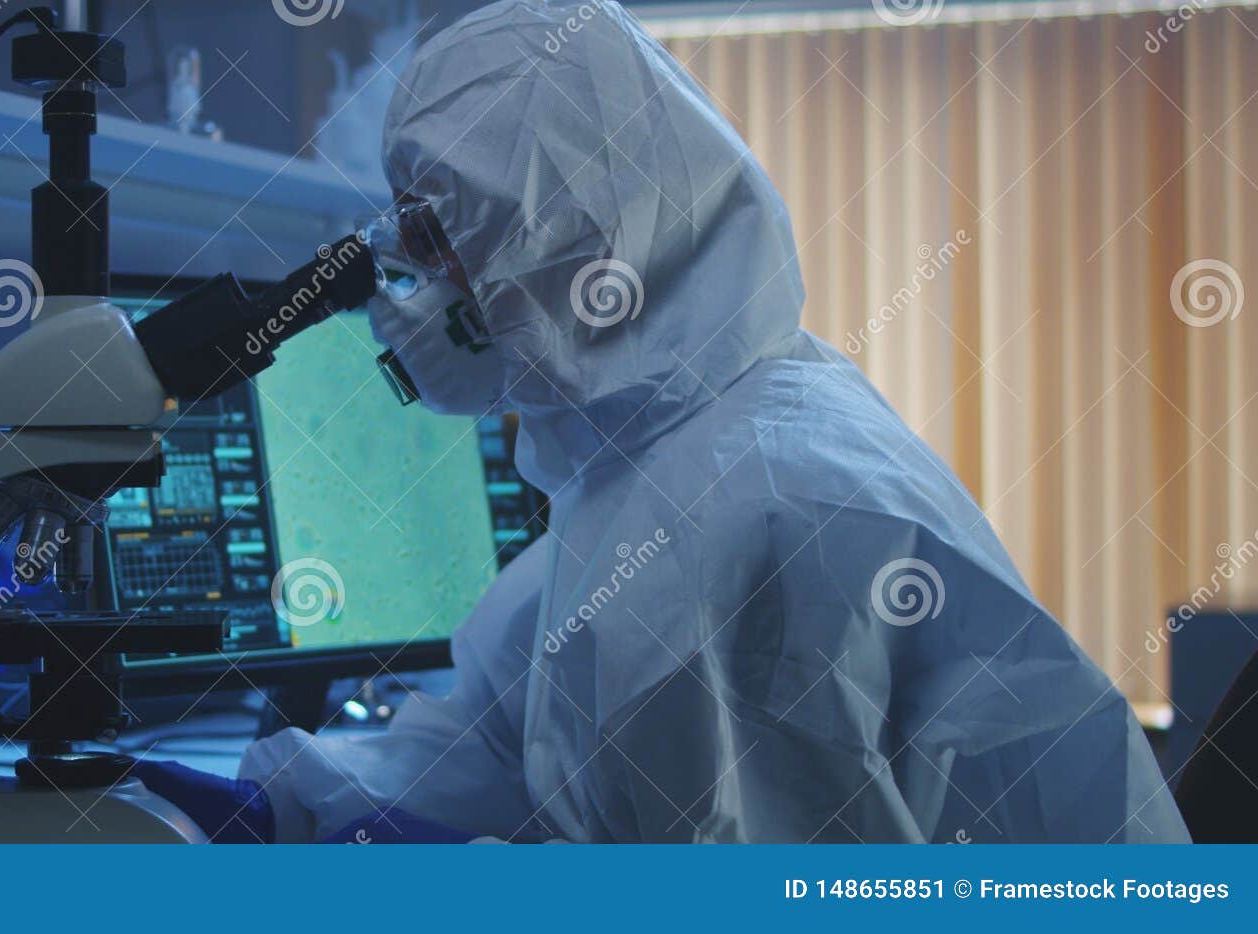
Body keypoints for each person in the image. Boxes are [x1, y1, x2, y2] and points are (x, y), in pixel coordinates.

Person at [134, 0, 1188, 843]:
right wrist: (285, 804)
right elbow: (498, 740)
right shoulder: (662, 454)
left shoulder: (743, 511)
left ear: (571, 241)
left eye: (439, 233)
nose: (412, 278)